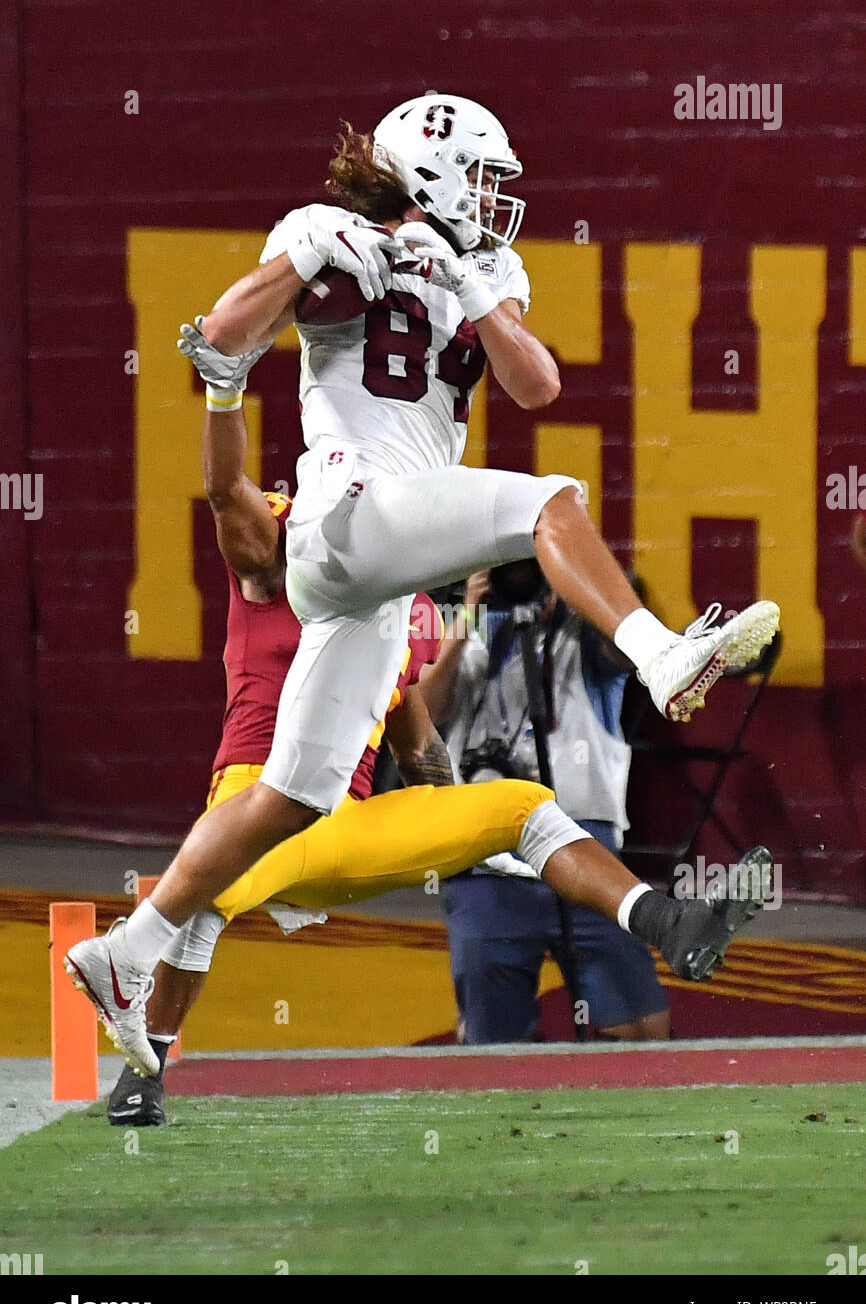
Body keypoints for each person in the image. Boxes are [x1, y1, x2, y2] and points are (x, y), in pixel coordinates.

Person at [65, 93, 779, 1074]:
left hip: (371, 568)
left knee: (290, 795)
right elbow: (224, 332)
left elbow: (535, 384)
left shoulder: (491, 265)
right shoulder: (332, 228)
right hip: (349, 509)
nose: (496, 200)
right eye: (482, 179)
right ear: (432, 174)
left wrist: (463, 280)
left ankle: (125, 950)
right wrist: (317, 257)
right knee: (549, 502)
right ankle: (661, 656)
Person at [426, 563, 670, 1044]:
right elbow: (422, 716)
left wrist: (576, 581)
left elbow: (637, 634)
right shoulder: (456, 636)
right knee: (492, 1043)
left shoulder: (582, 638)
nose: (515, 576)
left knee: (641, 1027)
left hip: (583, 847)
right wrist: (464, 619)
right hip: (483, 855)